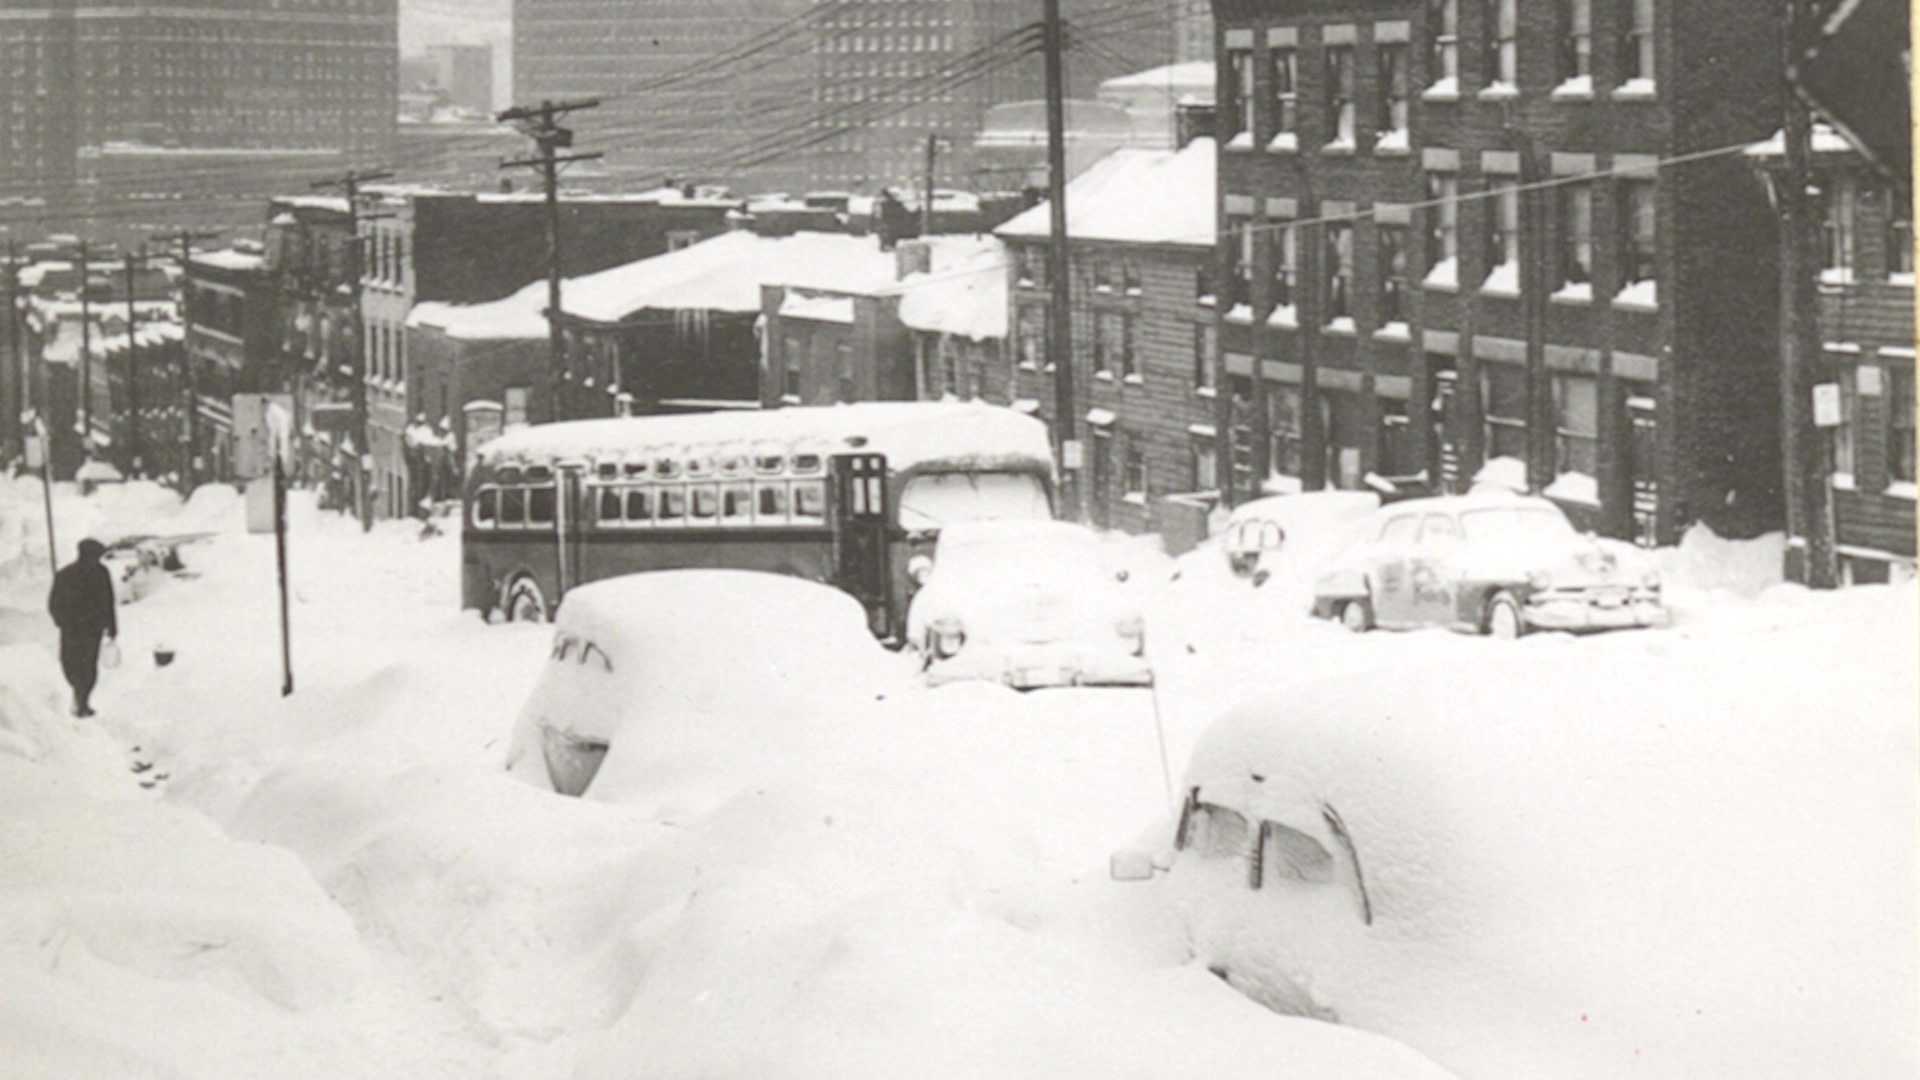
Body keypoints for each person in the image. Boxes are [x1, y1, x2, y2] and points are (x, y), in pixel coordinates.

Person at [48, 538, 118, 718]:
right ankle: (80, 696)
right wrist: (62, 621)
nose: (97, 559)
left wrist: (111, 626)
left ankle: (82, 700)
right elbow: (55, 603)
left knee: (83, 666)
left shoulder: (100, 573)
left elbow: (108, 601)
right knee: (75, 665)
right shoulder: (66, 575)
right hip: (76, 629)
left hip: (87, 630)